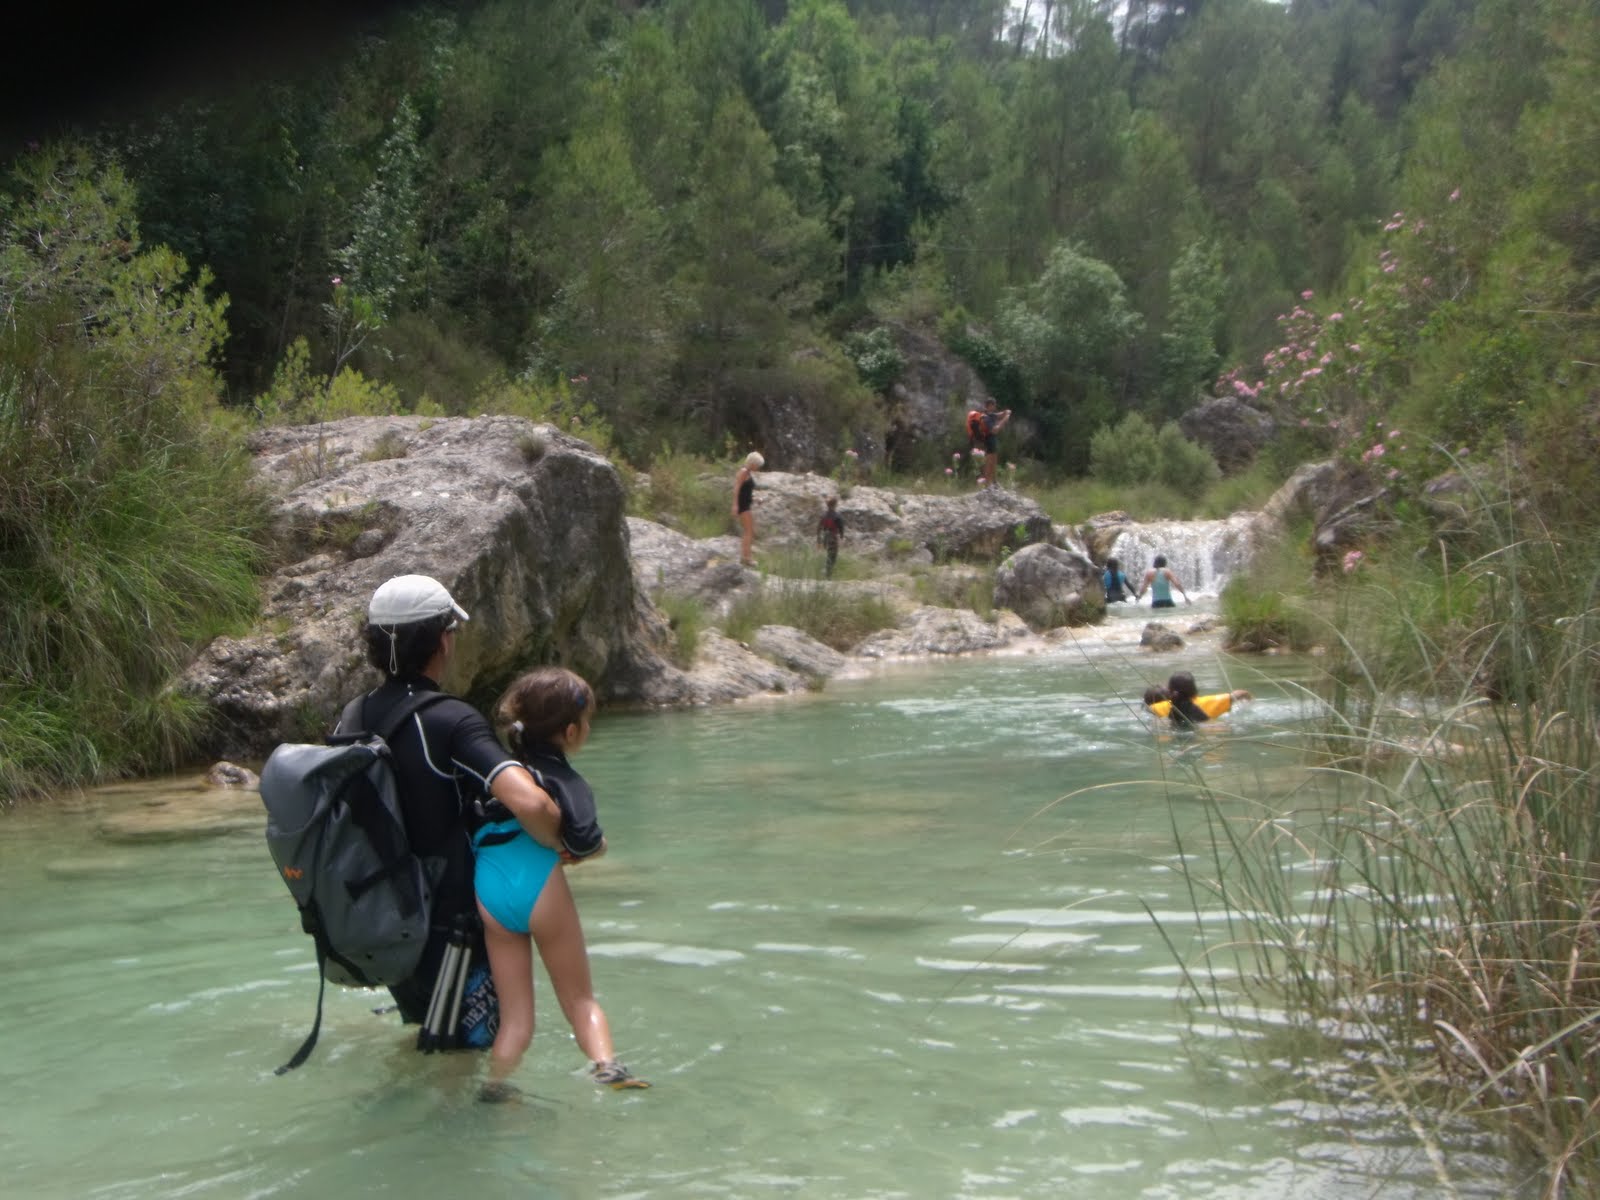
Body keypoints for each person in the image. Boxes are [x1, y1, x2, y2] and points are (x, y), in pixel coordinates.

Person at [351, 574, 565, 1047]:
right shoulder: (450, 720)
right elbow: (529, 801)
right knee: (465, 1063)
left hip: (387, 922)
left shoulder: (352, 716)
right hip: (452, 930)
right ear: (441, 640)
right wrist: (563, 840)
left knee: (429, 1043)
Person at [473, 666, 648, 1096]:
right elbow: (584, 841)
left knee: (516, 1019)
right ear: (570, 732)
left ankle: (496, 1083)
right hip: (539, 887)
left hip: (490, 890)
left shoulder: (499, 772)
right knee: (579, 1000)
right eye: (588, 723)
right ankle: (608, 1067)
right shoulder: (563, 778)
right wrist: (598, 847)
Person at [1143, 673, 1253, 726]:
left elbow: (1148, 710)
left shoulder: (1157, 707)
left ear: (1171, 692)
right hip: (1209, 727)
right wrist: (1250, 704)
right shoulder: (1210, 701)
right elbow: (1242, 693)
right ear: (1195, 690)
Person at [732, 451, 764, 567]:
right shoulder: (744, 472)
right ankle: (746, 558)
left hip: (746, 503)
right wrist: (735, 505)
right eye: (758, 465)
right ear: (753, 463)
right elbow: (736, 489)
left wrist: (756, 499)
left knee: (749, 531)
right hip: (743, 506)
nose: (758, 468)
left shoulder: (748, 473)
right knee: (748, 531)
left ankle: (746, 557)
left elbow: (746, 492)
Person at [971, 398, 1012, 487]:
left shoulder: (991, 415)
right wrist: (1006, 418)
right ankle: (987, 484)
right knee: (989, 463)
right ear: (989, 406)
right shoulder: (986, 417)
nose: (995, 406)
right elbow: (995, 430)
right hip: (988, 442)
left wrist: (1006, 412)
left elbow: (999, 415)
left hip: (992, 442)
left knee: (994, 462)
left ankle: (994, 482)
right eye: (994, 405)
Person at [816, 495, 845, 578]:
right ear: (835, 504)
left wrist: (818, 540)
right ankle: (828, 575)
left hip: (825, 537)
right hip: (833, 537)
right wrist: (842, 537)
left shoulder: (824, 515)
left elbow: (818, 528)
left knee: (829, 555)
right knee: (832, 557)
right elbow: (841, 528)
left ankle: (827, 573)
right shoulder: (837, 516)